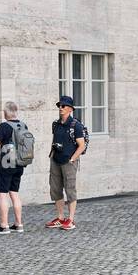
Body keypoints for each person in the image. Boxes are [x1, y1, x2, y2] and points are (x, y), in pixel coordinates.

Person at [0, 99, 27, 234]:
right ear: (16, 112)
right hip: (20, 164)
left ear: (5, 113)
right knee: (14, 193)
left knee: (2, 194)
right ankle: (19, 224)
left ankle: (3, 225)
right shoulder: (23, 125)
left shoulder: (4, 126)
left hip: (6, 165)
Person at [47, 95, 86, 230]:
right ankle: (60, 217)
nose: (60, 108)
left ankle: (70, 219)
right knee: (56, 189)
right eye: (59, 106)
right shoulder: (56, 124)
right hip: (56, 160)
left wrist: (72, 159)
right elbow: (54, 140)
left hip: (69, 161)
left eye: (63, 106)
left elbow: (82, 145)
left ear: (70, 109)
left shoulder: (76, 125)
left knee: (70, 190)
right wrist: (52, 155)